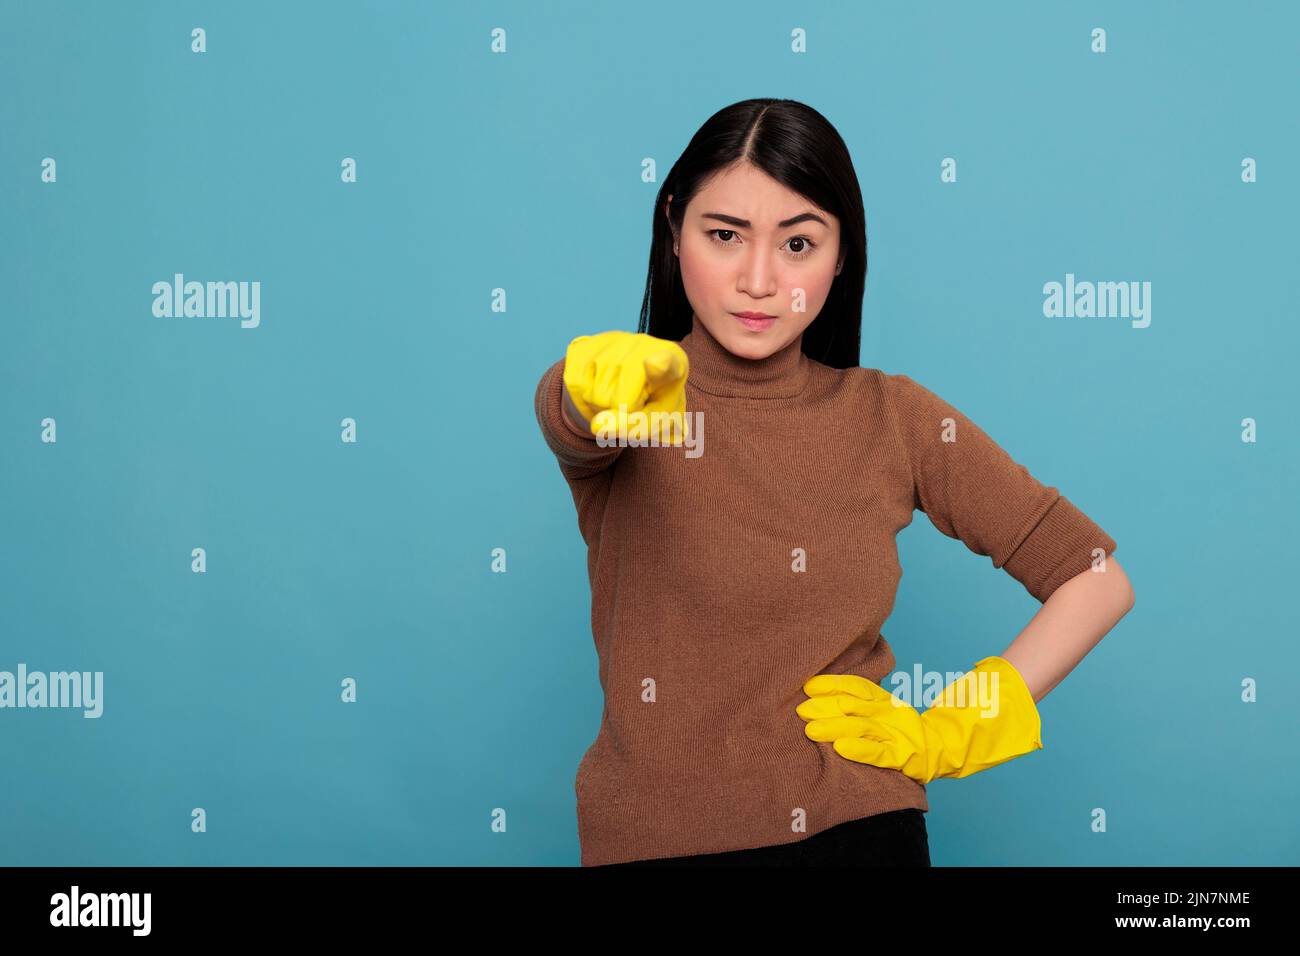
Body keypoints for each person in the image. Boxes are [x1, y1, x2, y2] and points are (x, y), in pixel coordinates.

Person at [533, 98, 1135, 867]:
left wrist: (955, 725)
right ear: (673, 231)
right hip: (651, 842)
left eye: (798, 243)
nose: (758, 279)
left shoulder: (894, 418)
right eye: (724, 236)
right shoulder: (634, 401)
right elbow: (571, 414)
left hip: (858, 831)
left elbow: (1094, 580)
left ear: (842, 255)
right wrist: (587, 388)